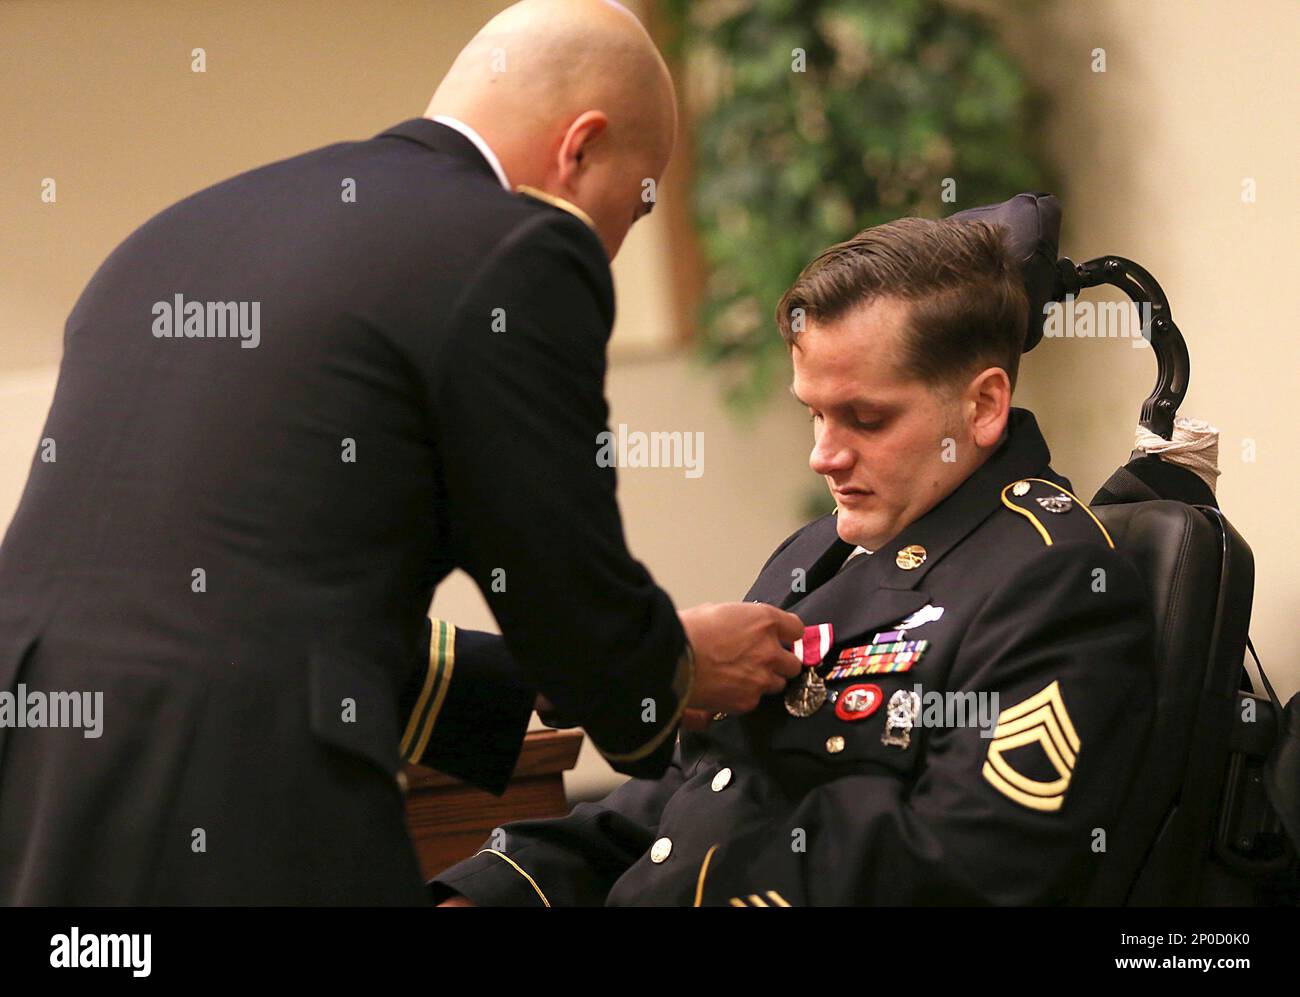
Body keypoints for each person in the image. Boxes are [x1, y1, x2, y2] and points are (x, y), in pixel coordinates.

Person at [0, 0, 800, 904]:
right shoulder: (518, 250)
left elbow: (244, 596)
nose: (617, 245)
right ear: (580, 147)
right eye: (638, 203)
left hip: (38, 770)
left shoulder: (173, 235)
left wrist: (537, 686)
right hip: (234, 785)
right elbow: (562, 584)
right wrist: (669, 667)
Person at [430, 216, 1157, 906]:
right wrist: (495, 887)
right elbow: (686, 795)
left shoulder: (1053, 582)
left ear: (983, 406)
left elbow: (960, 874)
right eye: (814, 412)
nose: (824, 455)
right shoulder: (820, 551)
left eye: (865, 419)